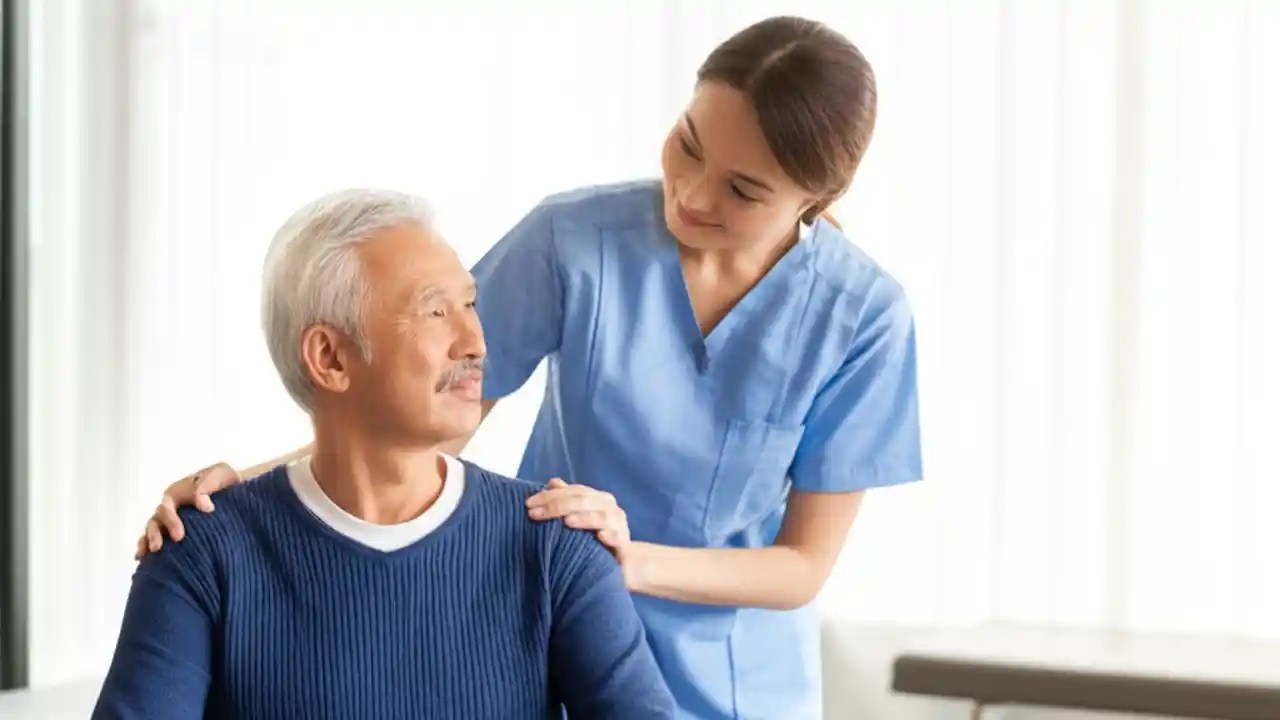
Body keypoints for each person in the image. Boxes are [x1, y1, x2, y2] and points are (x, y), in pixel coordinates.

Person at [137, 15, 922, 719]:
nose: (690, 193)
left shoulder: (863, 317)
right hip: (548, 637)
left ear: (816, 197)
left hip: (736, 687)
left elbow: (800, 566)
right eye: (688, 142)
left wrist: (622, 559)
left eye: (743, 189)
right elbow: (417, 416)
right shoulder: (576, 240)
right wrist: (241, 492)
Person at [93, 190, 675, 719]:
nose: (475, 342)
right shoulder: (202, 557)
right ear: (331, 358)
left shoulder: (557, 546)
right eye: (434, 311)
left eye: (470, 304)